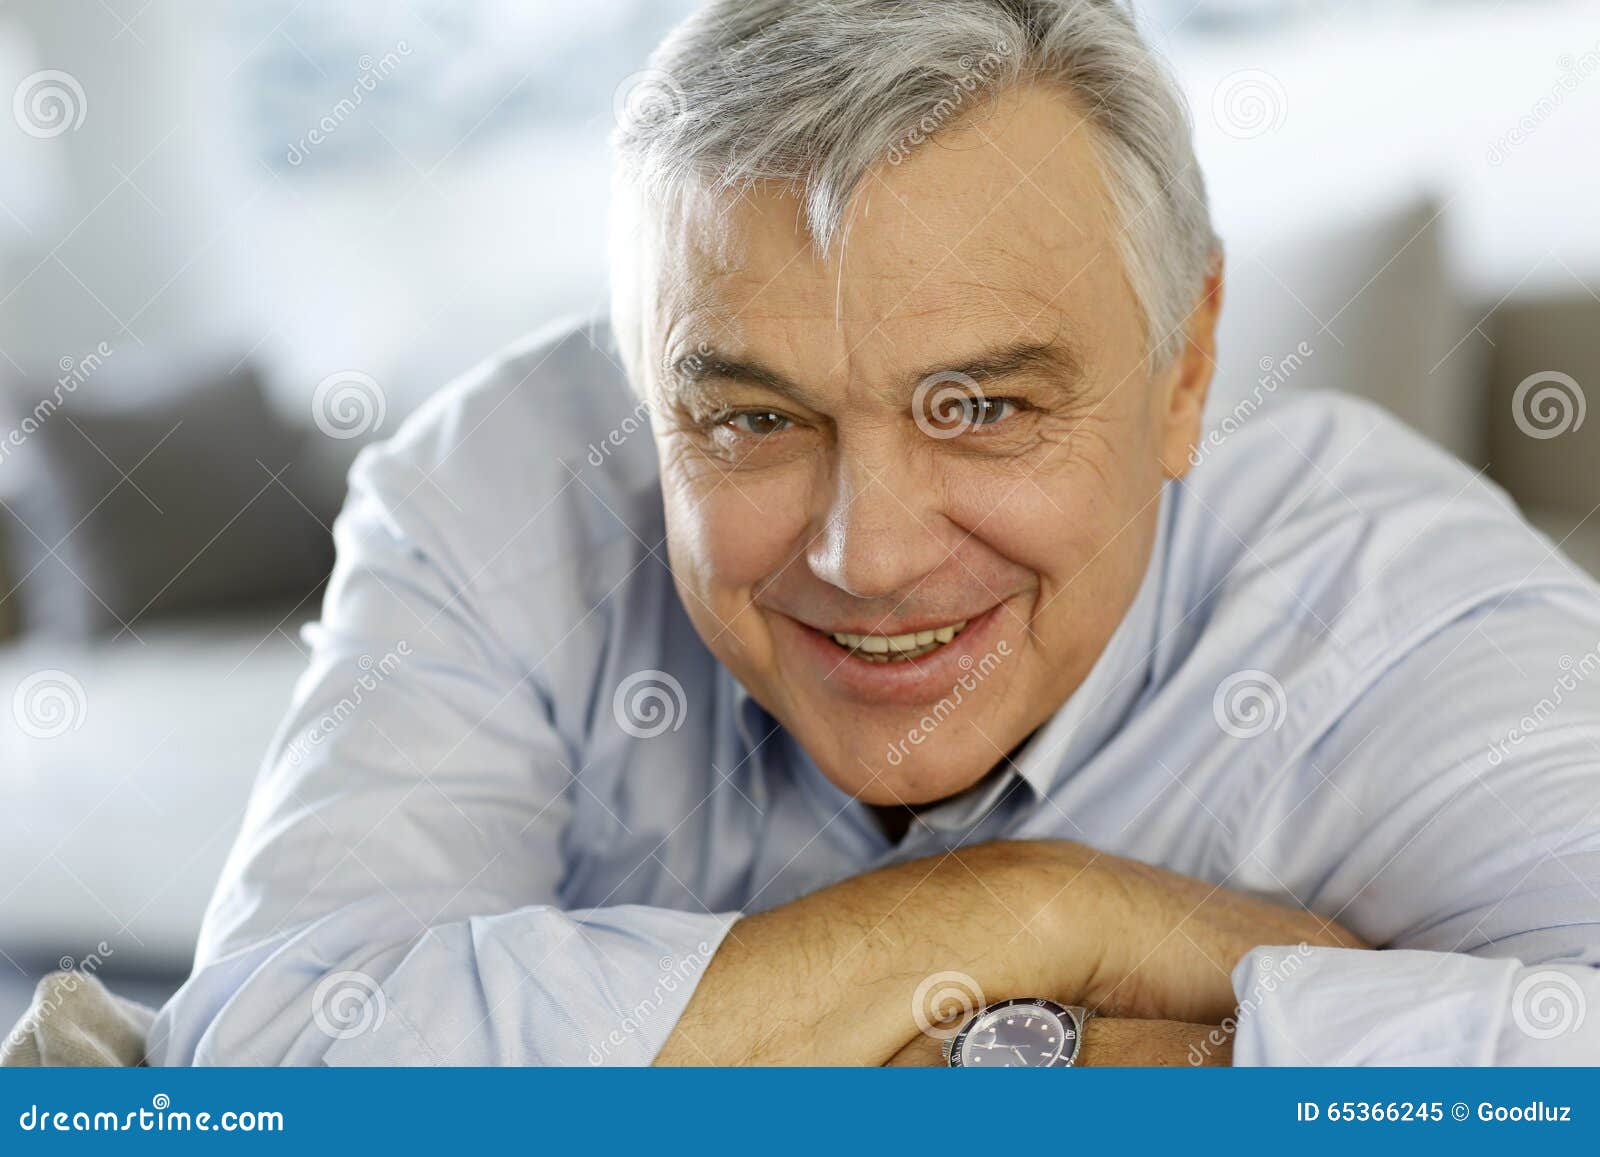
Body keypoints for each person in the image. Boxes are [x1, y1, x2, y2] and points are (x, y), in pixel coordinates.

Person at [152, 0, 1600, 1066]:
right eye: (752, 419)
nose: (870, 557)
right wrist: (1038, 915)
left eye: (981, 408)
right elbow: (266, 1066)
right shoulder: (501, 487)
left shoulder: (1403, 604)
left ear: (1188, 366)